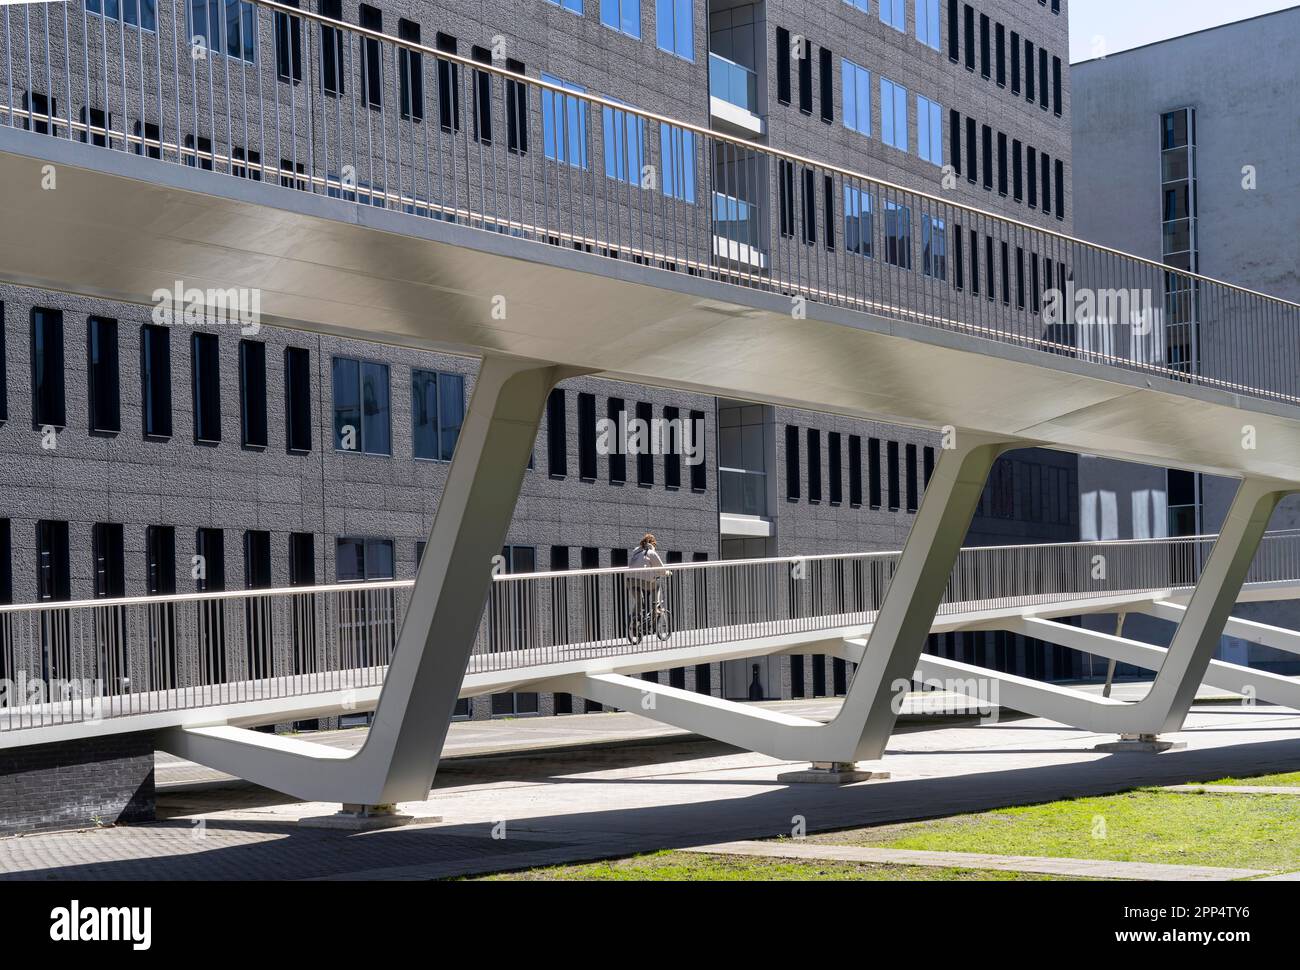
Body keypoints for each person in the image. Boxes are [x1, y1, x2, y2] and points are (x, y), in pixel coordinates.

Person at [627, 533, 669, 624]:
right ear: (653, 544)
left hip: (630, 580)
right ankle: (656, 608)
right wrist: (667, 572)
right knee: (657, 586)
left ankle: (634, 621)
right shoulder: (651, 553)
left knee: (639, 601)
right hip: (644, 581)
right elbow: (660, 568)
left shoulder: (636, 551)